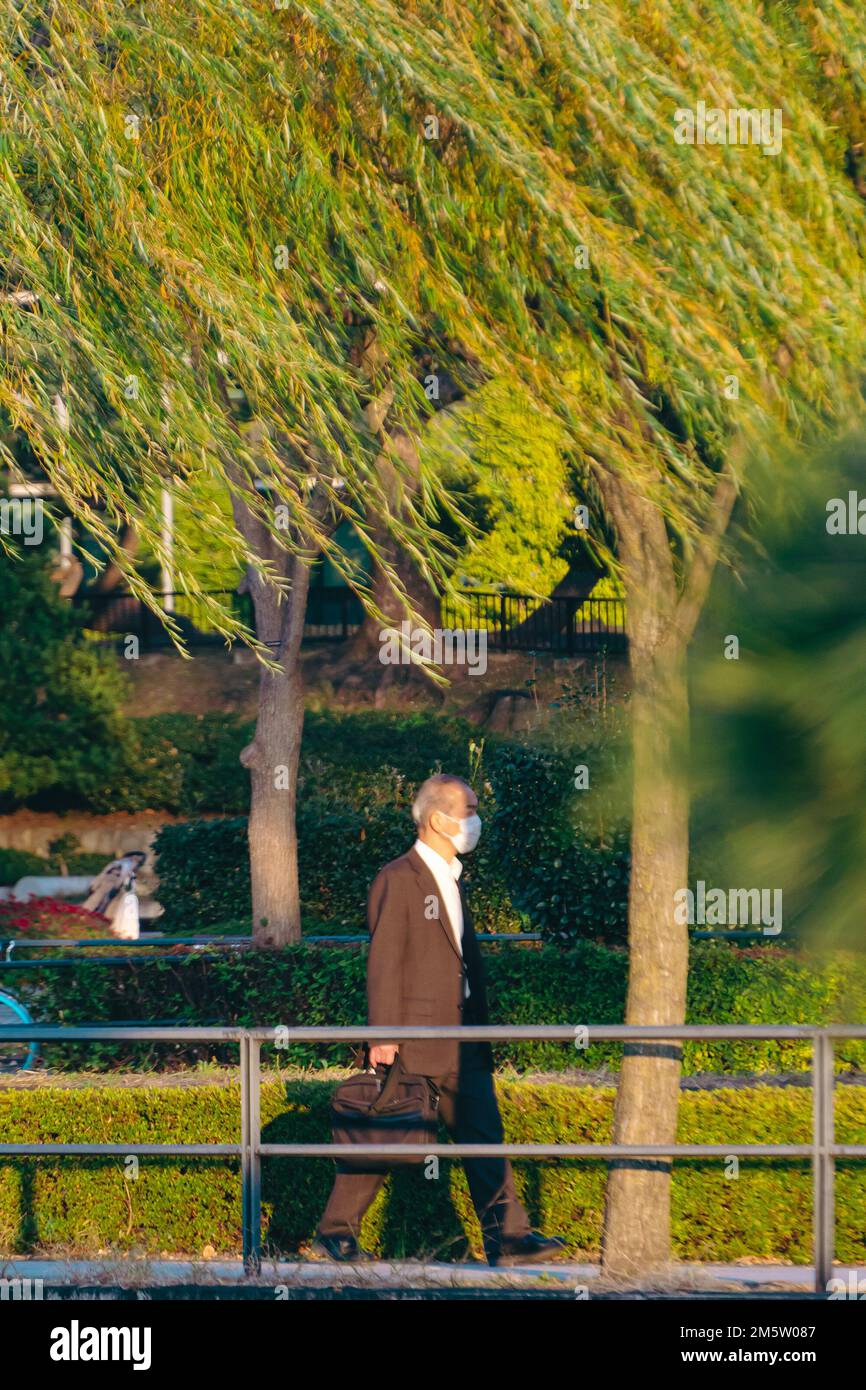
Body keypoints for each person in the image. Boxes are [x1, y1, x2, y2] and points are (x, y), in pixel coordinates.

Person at [311, 774, 565, 1267]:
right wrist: (382, 1034)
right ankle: (334, 1234)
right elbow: (384, 958)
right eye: (469, 809)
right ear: (437, 819)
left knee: (484, 1137)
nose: (476, 819)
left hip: (464, 1035)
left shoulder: (450, 876)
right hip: (416, 1037)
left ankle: (509, 1241)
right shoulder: (398, 877)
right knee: (387, 1132)